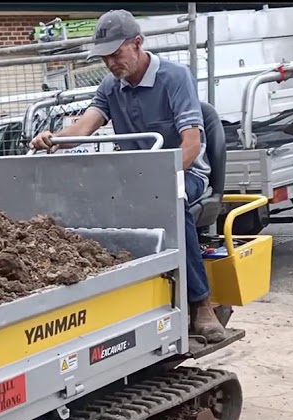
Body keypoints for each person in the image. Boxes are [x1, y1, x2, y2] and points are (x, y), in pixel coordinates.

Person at [30, 9, 227, 343]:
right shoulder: (111, 87)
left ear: (137, 44)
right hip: (136, 179)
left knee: (171, 206)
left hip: (185, 173)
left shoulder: (175, 78)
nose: (110, 63)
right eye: (104, 57)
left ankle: (200, 302)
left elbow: (191, 147)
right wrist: (54, 140)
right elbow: (84, 127)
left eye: (115, 53)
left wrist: (157, 177)